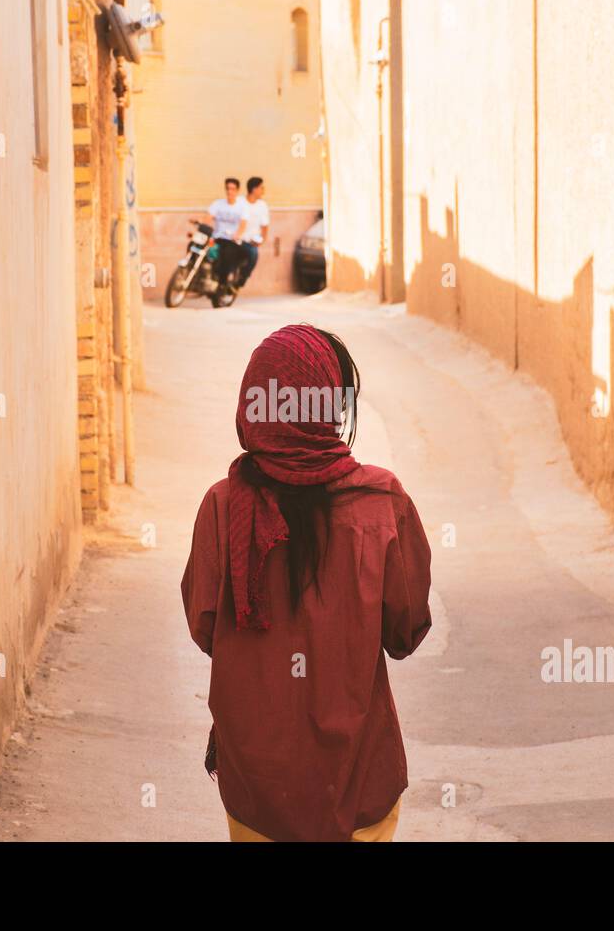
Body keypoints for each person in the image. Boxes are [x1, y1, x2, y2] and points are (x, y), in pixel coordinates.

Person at [180, 324, 433, 842]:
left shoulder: (223, 506)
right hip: (359, 780)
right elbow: (405, 632)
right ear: (331, 408)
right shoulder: (381, 503)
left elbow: (206, 629)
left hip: (257, 790)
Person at [205, 177, 249, 292]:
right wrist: (202, 224)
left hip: (231, 240)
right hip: (216, 238)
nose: (230, 191)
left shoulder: (242, 207)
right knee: (196, 245)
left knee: (227, 255)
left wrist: (238, 234)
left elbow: (243, 224)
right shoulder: (218, 204)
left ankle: (222, 283)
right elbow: (208, 218)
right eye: (228, 188)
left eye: (233, 189)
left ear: (237, 190)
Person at [238, 176, 269, 286]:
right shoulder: (240, 202)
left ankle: (242, 280)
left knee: (253, 254)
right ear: (254, 189)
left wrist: (261, 241)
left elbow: (265, 226)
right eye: (261, 188)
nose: (263, 191)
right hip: (236, 239)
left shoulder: (262, 205)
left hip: (250, 241)